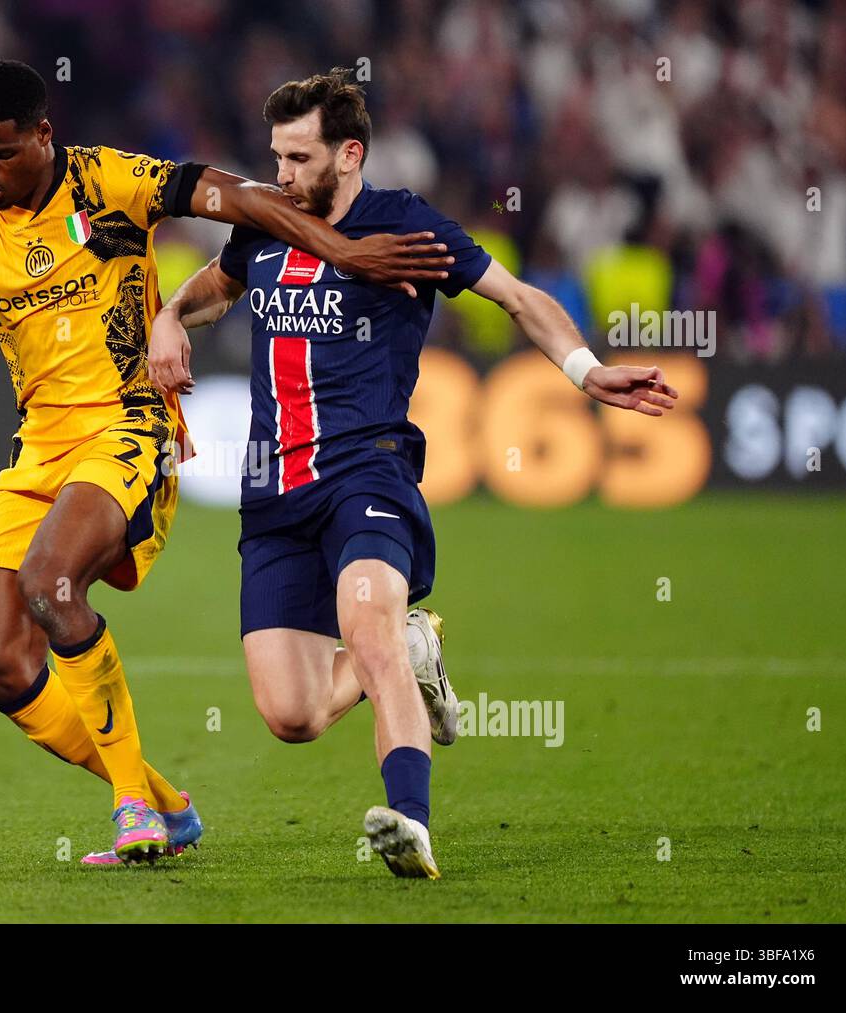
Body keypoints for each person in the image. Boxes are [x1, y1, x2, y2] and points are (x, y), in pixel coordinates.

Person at [0, 60, 456, 864]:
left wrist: (345, 252)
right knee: (0, 664)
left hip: (128, 429)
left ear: (43, 134)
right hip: (38, 447)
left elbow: (242, 198)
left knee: (49, 584)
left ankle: (130, 804)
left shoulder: (108, 179)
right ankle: (168, 806)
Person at [148, 69, 678, 878]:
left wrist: (586, 369)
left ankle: (409, 820)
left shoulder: (406, 225)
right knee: (290, 715)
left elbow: (515, 295)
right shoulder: (267, 225)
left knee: (363, 626)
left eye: (298, 157)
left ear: (349, 154)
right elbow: (212, 290)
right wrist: (167, 318)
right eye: (276, 157)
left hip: (369, 472)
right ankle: (414, 641)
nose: (281, 175)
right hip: (276, 495)